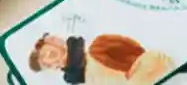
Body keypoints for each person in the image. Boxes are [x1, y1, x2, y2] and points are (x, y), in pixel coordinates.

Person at [28, 33, 175, 84]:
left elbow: (153, 58)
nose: (55, 63)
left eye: (51, 54)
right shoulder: (79, 80)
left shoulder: (100, 46)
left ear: (56, 41)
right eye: (49, 65)